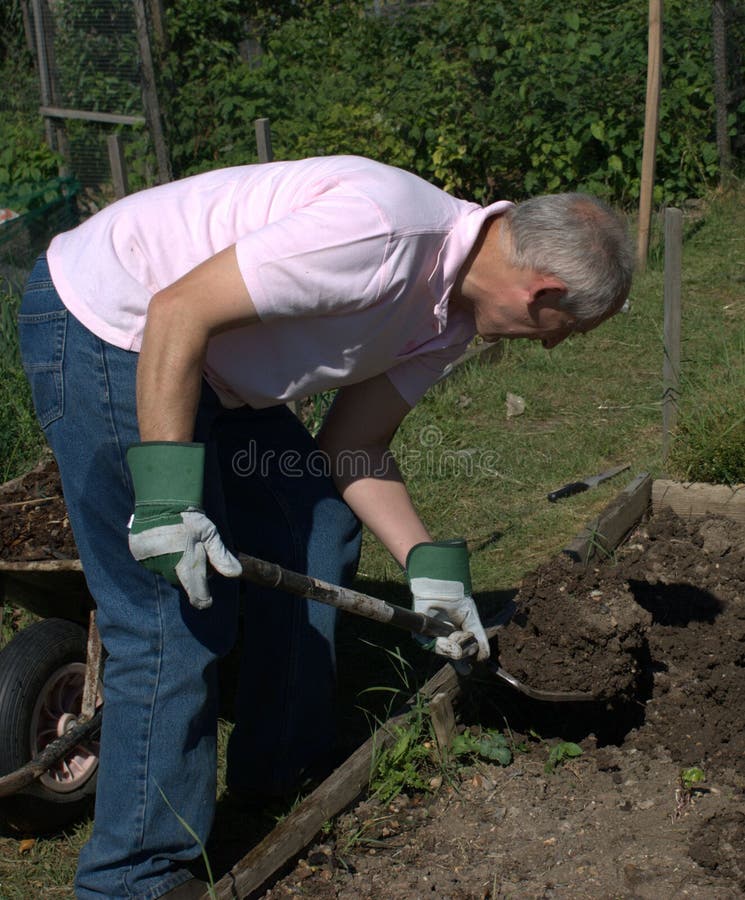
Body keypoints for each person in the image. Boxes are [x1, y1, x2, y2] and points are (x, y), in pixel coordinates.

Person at [18, 154, 633, 899]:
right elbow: (176, 310)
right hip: (112, 327)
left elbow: (353, 447)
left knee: (312, 523)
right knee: (167, 614)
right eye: (565, 330)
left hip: (211, 368)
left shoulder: (448, 316)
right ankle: (132, 878)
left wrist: (429, 573)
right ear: (544, 294)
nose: (552, 346)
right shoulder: (381, 232)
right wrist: (164, 501)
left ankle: (281, 769)